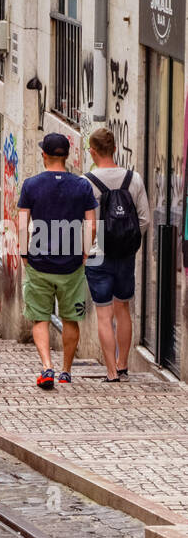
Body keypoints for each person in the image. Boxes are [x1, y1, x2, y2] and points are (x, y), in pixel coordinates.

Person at [18, 133, 98, 390]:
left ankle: (46, 366)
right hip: (72, 264)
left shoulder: (31, 185)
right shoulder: (82, 186)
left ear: (44, 155)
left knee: (40, 318)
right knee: (70, 319)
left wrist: (23, 253)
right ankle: (66, 370)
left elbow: (22, 223)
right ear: (67, 156)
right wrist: (85, 252)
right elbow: (92, 225)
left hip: (39, 262)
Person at [85, 126, 150, 381]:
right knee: (123, 308)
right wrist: (128, 241)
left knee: (103, 313)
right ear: (115, 149)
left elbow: (85, 223)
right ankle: (124, 364)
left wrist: (85, 251)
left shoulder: (86, 181)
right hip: (125, 254)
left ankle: (111, 372)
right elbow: (144, 219)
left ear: (92, 151)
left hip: (97, 253)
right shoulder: (134, 179)